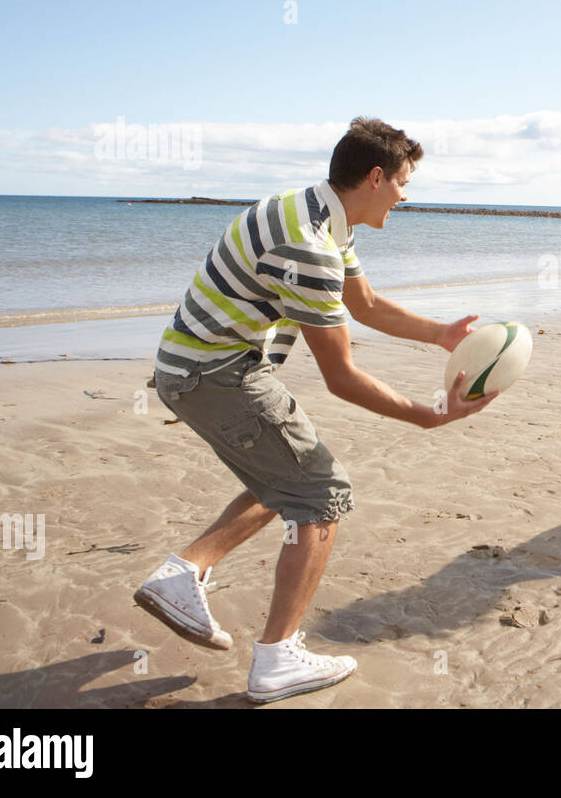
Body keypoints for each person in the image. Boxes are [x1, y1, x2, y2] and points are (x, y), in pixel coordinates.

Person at [133, 117, 495, 703]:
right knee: (321, 491)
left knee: (284, 480)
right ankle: (276, 660)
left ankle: (183, 574)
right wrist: (431, 415)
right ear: (376, 177)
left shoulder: (320, 212)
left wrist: (442, 335)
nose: (405, 196)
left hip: (195, 365)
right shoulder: (310, 246)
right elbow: (342, 378)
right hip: (216, 374)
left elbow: (367, 304)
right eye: (404, 183)